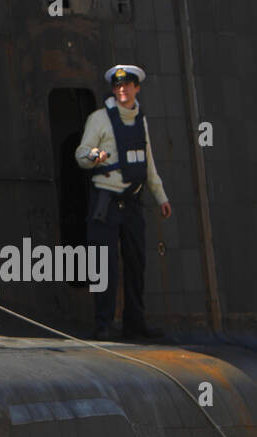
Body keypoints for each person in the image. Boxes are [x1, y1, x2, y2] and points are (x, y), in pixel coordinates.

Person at [75, 64, 172, 340]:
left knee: (136, 264)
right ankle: (103, 324)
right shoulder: (99, 119)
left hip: (132, 203)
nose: (122, 90)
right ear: (114, 90)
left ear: (136, 88)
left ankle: (135, 322)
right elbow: (80, 155)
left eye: (127, 85)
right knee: (105, 265)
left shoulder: (141, 120)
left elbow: (148, 163)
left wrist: (161, 196)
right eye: (118, 86)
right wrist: (94, 155)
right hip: (105, 201)